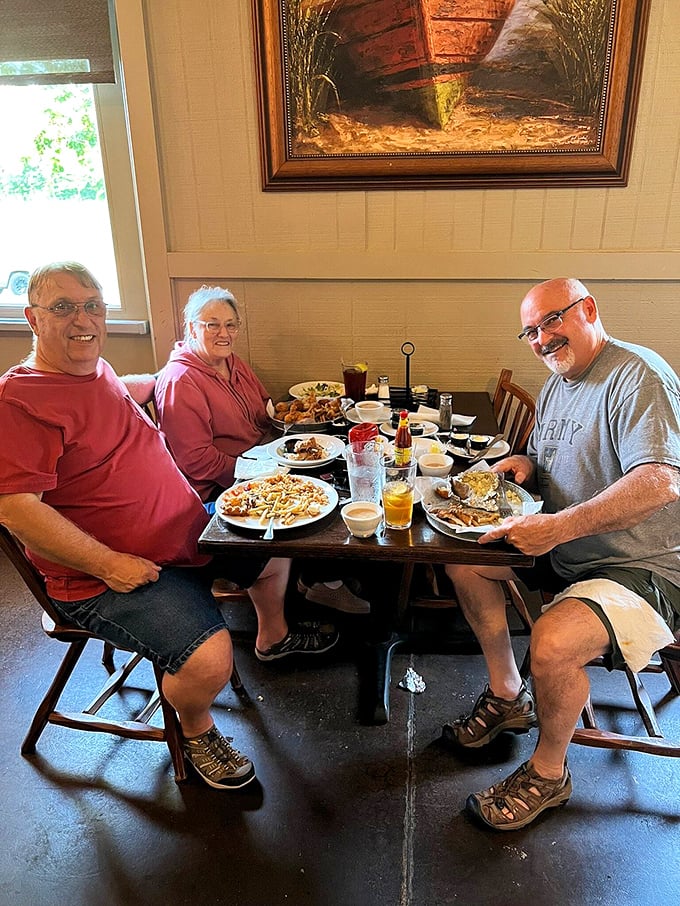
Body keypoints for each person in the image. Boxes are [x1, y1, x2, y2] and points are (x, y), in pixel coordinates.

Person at [0, 262, 338, 791]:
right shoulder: (20, 401)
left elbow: (122, 394)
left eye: (92, 304)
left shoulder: (94, 371)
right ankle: (199, 728)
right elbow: (15, 509)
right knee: (210, 660)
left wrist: (160, 380)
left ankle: (272, 637)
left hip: (186, 533)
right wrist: (108, 564)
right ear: (32, 319)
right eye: (62, 307)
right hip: (111, 574)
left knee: (285, 535)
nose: (82, 318)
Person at [443, 277, 680, 830]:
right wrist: (526, 465)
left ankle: (549, 774)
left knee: (551, 644)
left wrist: (559, 528)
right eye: (530, 330)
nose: (542, 338)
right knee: (462, 562)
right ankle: (507, 695)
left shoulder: (637, 376)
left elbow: (660, 482)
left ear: (588, 310)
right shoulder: (557, 384)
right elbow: (549, 458)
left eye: (552, 320)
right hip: (571, 545)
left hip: (641, 565)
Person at [154, 284, 371, 614]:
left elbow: (264, 411)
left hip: (260, 460)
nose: (223, 333)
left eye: (230, 324)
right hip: (218, 489)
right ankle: (323, 584)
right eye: (212, 324)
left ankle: (318, 577)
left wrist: (302, 432)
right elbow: (194, 460)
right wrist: (261, 471)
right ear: (191, 327)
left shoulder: (232, 363)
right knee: (318, 492)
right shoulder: (181, 381)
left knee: (336, 472)